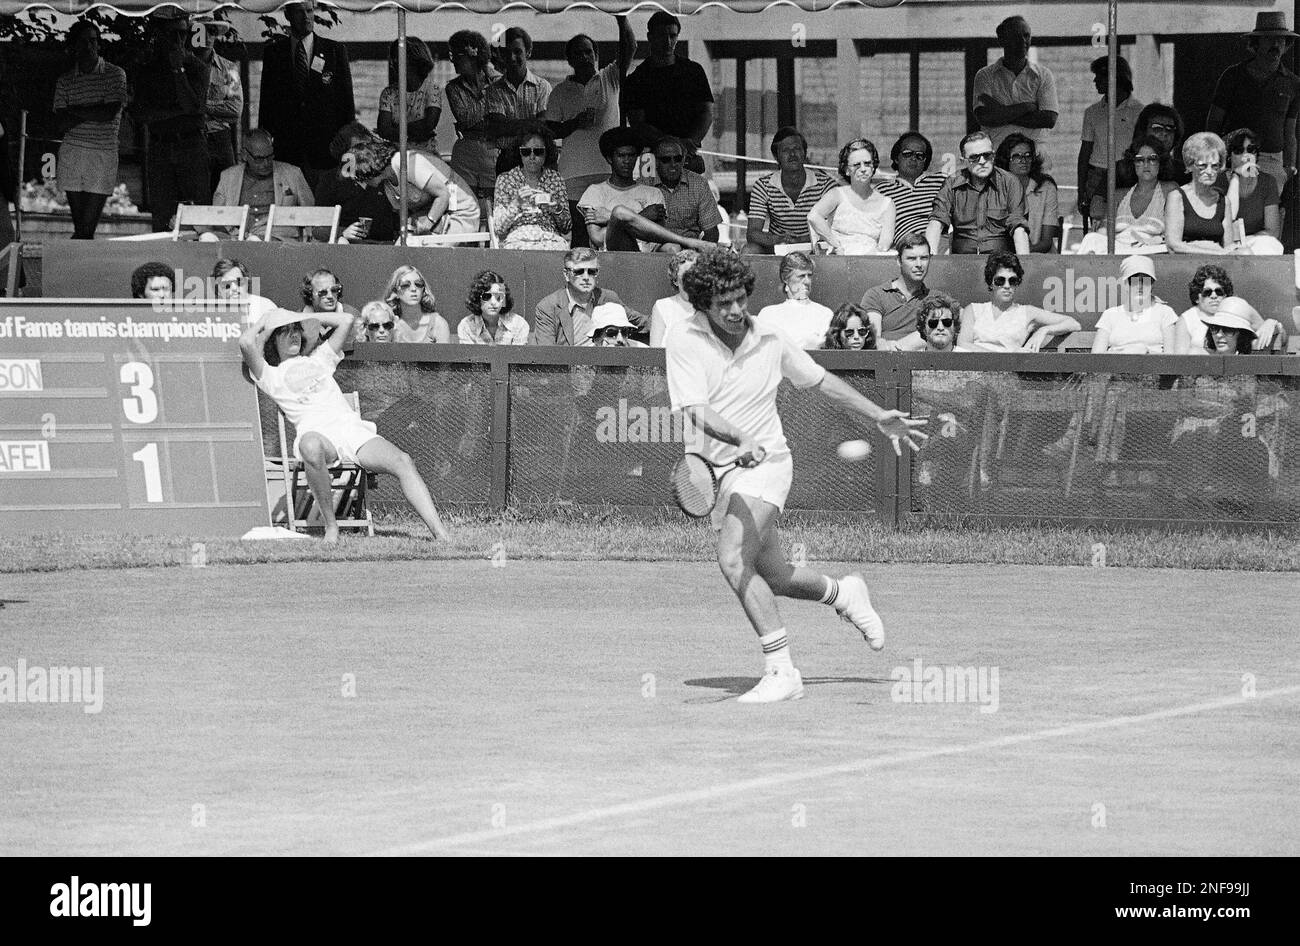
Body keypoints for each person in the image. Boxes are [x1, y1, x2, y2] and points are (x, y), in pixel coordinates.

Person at [663, 248, 927, 703]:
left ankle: (782, 671)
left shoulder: (769, 335)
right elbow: (695, 408)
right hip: (716, 470)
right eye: (721, 301)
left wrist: (878, 414)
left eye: (739, 298)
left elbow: (820, 380)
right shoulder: (682, 337)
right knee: (776, 575)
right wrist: (736, 441)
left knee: (732, 559)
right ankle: (844, 593)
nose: (733, 310)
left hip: (768, 464)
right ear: (702, 302)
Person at [241, 308, 450, 543]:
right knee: (310, 445)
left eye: (296, 331)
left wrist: (300, 318)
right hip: (318, 436)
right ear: (272, 341)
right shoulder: (270, 375)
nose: (294, 336)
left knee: (403, 460)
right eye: (285, 332)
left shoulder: (320, 358)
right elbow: (246, 343)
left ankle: (441, 534)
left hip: (351, 429)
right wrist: (267, 321)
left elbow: (347, 320)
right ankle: (332, 528)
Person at [548, 15, 636, 247]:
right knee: (580, 236)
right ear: (569, 60)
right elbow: (551, 130)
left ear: (596, 55)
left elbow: (630, 48)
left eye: (588, 51)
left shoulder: (610, 77)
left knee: (611, 234)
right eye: (578, 53)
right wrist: (576, 122)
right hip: (573, 174)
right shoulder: (560, 91)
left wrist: (622, 20)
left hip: (609, 171)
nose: (584, 57)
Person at [258, 0, 354, 187]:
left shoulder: (334, 51)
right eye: (299, 12)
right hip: (287, 151)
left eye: (309, 11)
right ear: (287, 15)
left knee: (323, 206)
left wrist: (346, 149)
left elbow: (346, 106)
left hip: (325, 151)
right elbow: (266, 105)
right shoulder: (274, 53)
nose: (306, 17)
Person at [131, 8, 211, 232]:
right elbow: (141, 113)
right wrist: (177, 111)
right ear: (161, 34)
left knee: (199, 212)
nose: (178, 40)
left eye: (183, 34)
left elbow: (194, 107)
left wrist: (179, 71)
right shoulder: (148, 69)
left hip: (191, 144)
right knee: (162, 213)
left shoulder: (197, 67)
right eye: (172, 33)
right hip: (160, 145)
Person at [1207, 12, 1300, 193]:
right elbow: (1213, 122)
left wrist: (1289, 169)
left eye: (1281, 40)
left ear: (1286, 45)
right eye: (1268, 39)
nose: (1275, 45)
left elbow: (1290, 131)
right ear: (1255, 44)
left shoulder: (1293, 83)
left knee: (1269, 217)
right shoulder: (1233, 75)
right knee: (1233, 215)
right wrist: (1215, 160)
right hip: (1237, 157)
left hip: (1273, 161)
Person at [52, 20, 127, 240]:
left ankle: (73, 268)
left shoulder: (115, 74)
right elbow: (60, 123)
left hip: (102, 153)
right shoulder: (65, 80)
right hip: (73, 154)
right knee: (81, 227)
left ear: (99, 44)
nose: (88, 46)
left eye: (93, 41)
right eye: (83, 41)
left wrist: (74, 110)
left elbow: (108, 113)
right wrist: (94, 109)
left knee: (87, 227)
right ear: (74, 45)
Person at [622, 11, 714, 173]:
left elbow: (706, 113)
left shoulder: (693, 71)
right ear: (650, 37)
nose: (668, 41)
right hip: (652, 156)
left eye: (673, 36)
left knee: (690, 197)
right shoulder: (637, 78)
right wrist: (676, 144)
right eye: (661, 36)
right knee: (651, 198)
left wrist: (690, 143)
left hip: (687, 154)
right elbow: (638, 123)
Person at [345, 135, 480, 237]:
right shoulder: (386, 183)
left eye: (360, 177)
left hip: (458, 213)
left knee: (430, 251)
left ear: (370, 169)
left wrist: (428, 222)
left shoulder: (405, 163)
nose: (360, 182)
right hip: (434, 220)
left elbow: (443, 194)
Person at [927, 131, 1030, 255]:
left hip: (1001, 264)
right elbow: (936, 222)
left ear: (994, 156)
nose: (982, 161)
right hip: (962, 264)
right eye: (974, 157)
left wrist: (1024, 267)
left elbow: (1019, 228)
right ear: (963, 161)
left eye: (987, 155)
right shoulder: (951, 183)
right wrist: (929, 263)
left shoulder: (1010, 182)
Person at [957, 252, 1080, 352]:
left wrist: (1044, 330)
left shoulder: (1027, 312)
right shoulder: (973, 310)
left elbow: (1073, 323)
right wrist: (1006, 356)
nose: (1006, 286)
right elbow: (963, 344)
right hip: (974, 372)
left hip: (1010, 376)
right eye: (1000, 280)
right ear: (991, 283)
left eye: (1012, 281)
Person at [208, 129, 314, 241]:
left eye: (269, 156)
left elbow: (311, 213)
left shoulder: (292, 173)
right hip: (236, 238)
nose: (266, 163)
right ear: (244, 155)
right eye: (259, 159)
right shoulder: (228, 177)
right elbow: (217, 216)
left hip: (278, 239)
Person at [972, 15, 1059, 153]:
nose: (1023, 41)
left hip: (1035, 157)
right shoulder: (985, 75)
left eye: (1026, 36)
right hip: (998, 156)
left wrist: (1001, 111)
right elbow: (984, 117)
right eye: (1016, 36)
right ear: (1002, 40)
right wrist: (1027, 107)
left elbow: (1049, 119)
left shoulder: (1043, 75)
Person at [744, 127, 837, 254]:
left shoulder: (825, 184)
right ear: (777, 157)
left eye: (797, 149)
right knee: (750, 250)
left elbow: (836, 227)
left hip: (815, 247)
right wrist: (779, 239)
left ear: (804, 153)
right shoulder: (763, 186)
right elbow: (753, 233)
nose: (792, 154)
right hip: (779, 247)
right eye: (786, 150)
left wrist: (803, 240)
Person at [1076, 136, 1176, 254]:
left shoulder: (1170, 190)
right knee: (1091, 238)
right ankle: (1071, 272)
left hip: (1152, 250)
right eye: (1140, 159)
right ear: (1133, 163)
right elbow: (1103, 231)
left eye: (1152, 159)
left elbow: (1175, 234)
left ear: (1161, 162)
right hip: (1119, 250)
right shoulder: (1119, 195)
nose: (1146, 164)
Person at [578, 127, 669, 252]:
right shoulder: (595, 192)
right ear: (610, 159)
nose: (627, 161)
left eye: (631, 155)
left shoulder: (653, 193)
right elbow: (598, 238)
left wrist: (609, 219)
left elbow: (660, 235)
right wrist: (644, 216)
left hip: (648, 257)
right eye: (621, 155)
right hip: (612, 257)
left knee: (673, 248)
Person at [531, 248, 647, 345]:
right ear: (566, 275)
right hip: (568, 369)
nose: (586, 277)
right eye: (579, 272)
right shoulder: (548, 307)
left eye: (591, 271)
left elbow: (642, 323)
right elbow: (546, 353)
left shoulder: (608, 298)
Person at [1077, 54, 1143, 224]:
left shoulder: (1140, 112)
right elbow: (1085, 152)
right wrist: (1081, 190)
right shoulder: (1091, 112)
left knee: (1126, 221)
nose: (1095, 81)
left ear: (1115, 78)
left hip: (1127, 173)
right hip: (1096, 174)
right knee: (1097, 223)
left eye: (1100, 76)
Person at [807, 138, 896, 255]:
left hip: (870, 262)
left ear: (873, 166)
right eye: (857, 165)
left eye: (867, 163)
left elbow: (884, 245)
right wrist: (835, 245)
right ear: (847, 170)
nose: (863, 169)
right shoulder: (837, 195)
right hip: (839, 260)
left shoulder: (887, 204)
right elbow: (813, 216)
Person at [312, 123, 397, 243]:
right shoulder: (330, 180)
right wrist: (343, 233)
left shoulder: (384, 173)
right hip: (348, 248)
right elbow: (317, 229)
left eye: (370, 146)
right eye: (360, 148)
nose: (367, 152)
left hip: (386, 246)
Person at [1173, 265, 1287, 354]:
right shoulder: (1187, 319)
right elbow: (1181, 360)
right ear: (1197, 297)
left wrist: (1272, 323)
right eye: (1207, 292)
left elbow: (1271, 336)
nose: (1214, 296)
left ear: (1225, 295)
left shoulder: (1237, 309)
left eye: (1219, 292)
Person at [492, 122, 571, 250]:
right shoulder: (506, 179)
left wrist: (556, 207)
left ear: (547, 153)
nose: (532, 157)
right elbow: (499, 228)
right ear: (519, 153)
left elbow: (566, 227)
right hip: (518, 240)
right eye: (526, 152)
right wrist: (516, 204)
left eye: (538, 152)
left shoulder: (555, 179)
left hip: (550, 240)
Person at [485, 27, 552, 176]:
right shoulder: (493, 90)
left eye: (517, 52)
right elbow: (497, 127)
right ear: (501, 55)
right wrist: (533, 123)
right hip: (507, 161)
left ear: (528, 52)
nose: (512, 57)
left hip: (538, 159)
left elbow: (543, 125)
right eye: (507, 53)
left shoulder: (542, 86)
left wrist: (510, 125)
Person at [1166, 132, 1243, 255]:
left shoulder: (1223, 201)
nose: (1209, 171)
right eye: (1202, 166)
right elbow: (1173, 245)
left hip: (1216, 267)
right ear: (1190, 166)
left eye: (1215, 166)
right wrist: (1212, 251)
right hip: (1185, 264)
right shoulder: (1177, 197)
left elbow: (1228, 247)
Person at [444, 30, 499, 202]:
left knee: (495, 205)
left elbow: (503, 117)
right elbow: (465, 118)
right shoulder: (452, 88)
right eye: (451, 55)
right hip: (464, 155)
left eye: (457, 55)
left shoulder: (499, 81)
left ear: (474, 56)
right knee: (462, 205)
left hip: (494, 152)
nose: (452, 60)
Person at [193, 14, 243, 194]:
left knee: (226, 191)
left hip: (220, 138)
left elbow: (235, 109)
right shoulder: (183, 66)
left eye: (212, 31)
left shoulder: (229, 69)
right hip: (192, 137)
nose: (206, 36)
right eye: (201, 30)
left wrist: (202, 106)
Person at [859, 233, 934, 351]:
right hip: (884, 361)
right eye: (911, 258)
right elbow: (874, 338)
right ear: (899, 261)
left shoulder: (936, 298)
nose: (919, 264)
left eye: (924, 258)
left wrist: (899, 347)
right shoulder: (876, 295)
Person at [647, 136, 722, 250]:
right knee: (672, 248)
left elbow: (711, 231)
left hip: (691, 250)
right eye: (666, 160)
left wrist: (702, 255)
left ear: (683, 160)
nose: (673, 164)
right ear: (656, 161)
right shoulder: (644, 185)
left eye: (677, 159)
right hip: (654, 251)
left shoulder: (699, 183)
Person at [875, 132, 948, 249]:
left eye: (920, 155)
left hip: (941, 241)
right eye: (907, 154)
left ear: (926, 161)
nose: (913, 159)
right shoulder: (882, 190)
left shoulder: (941, 181)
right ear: (896, 158)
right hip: (907, 246)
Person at [1092, 255, 1178, 354]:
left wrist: (1143, 354)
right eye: (1134, 281)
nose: (1140, 286)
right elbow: (1096, 359)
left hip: (1153, 368)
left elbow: (1171, 359)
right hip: (1116, 367)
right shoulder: (1110, 314)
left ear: (1152, 284)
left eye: (1146, 281)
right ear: (1125, 284)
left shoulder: (1165, 313)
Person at [753, 251, 834, 349]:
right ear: (785, 278)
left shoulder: (824, 313)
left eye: (809, 275)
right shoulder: (768, 314)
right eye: (801, 276)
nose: (807, 281)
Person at [996, 133, 1059, 253]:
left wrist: (1022, 254)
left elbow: (1046, 243)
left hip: (1039, 256)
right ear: (1006, 160)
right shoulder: (995, 188)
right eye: (1016, 156)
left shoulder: (1046, 187)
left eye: (1027, 155)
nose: (1023, 160)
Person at [1225, 127, 1284, 254]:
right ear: (1229, 156)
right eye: (1239, 150)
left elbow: (1272, 230)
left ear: (1256, 154)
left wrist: (1245, 243)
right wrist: (1235, 176)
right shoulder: (1219, 181)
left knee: (1272, 245)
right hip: (1225, 242)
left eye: (1251, 150)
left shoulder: (1268, 182)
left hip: (1253, 242)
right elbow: (1227, 219)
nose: (1245, 155)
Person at [376, 37, 440, 153]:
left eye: (397, 58)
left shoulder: (431, 89)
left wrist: (396, 129)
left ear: (413, 60)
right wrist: (416, 130)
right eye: (392, 59)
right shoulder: (388, 93)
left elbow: (429, 124)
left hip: (426, 156)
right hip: (396, 156)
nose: (392, 64)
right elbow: (383, 130)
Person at [1120, 104, 1189, 187]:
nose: (1164, 133)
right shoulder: (1121, 169)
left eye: (1169, 129)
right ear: (1143, 131)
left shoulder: (1185, 172)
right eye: (1157, 128)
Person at [458, 270, 529, 345]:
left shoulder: (519, 324)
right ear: (477, 298)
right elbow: (469, 356)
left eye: (498, 296)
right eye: (486, 296)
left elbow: (518, 356)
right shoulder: (466, 326)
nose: (493, 302)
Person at [384, 265, 448, 343]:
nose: (413, 289)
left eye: (418, 284)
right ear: (395, 291)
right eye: (405, 285)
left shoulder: (437, 324)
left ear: (423, 289)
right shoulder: (389, 325)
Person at [650, 249, 699, 346]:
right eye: (686, 275)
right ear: (675, 280)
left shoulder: (711, 306)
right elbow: (655, 350)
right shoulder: (663, 306)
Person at [299, 268, 358, 346]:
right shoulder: (297, 323)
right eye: (323, 292)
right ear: (310, 295)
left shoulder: (354, 317)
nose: (330, 296)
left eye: (334, 290)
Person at [213, 257, 277, 326]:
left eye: (239, 282)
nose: (234, 288)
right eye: (227, 285)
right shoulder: (212, 314)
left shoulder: (265, 306)